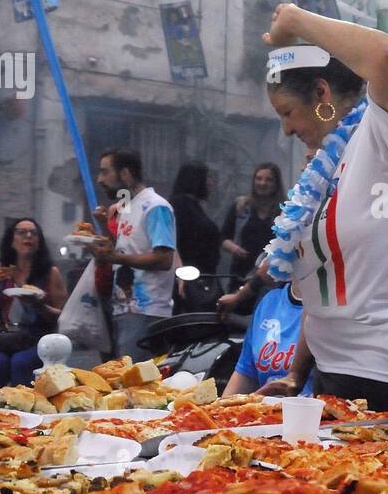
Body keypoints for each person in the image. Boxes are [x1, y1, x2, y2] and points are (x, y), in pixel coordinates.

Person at [254, 4, 388, 414]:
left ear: (322, 94)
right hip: (329, 373)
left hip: (384, 376)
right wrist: (295, 373)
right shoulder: (326, 169)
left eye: (287, 112)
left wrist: (294, 20)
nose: (286, 129)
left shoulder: (385, 136)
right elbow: (323, 282)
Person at [88, 148, 175, 360]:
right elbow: (127, 245)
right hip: (121, 307)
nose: (99, 179)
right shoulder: (126, 204)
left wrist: (115, 258)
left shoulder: (156, 207)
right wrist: (102, 229)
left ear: (125, 174)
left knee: (135, 383)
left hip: (146, 310)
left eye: (105, 172)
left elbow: (164, 259)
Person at [0, 218, 67, 391]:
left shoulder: (50, 272)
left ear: (39, 241)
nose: (28, 236)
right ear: (12, 240)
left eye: (33, 233)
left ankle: (27, 408)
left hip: (38, 338)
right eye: (22, 232)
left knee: (21, 362)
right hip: (6, 336)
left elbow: (63, 315)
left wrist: (40, 305)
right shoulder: (0, 269)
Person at [222, 281, 312, 397]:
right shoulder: (270, 301)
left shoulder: (334, 308)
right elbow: (247, 372)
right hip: (268, 412)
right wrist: (216, 411)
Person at [167, 161, 221, 313]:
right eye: (207, 178)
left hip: (201, 277)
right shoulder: (179, 206)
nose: (210, 183)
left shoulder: (194, 206)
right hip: (189, 280)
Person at [221, 163, 283, 282]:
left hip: (270, 277)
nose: (262, 183)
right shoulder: (241, 206)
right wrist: (234, 248)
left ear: (276, 184)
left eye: (268, 180)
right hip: (240, 274)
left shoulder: (284, 211)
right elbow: (223, 237)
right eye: (258, 178)